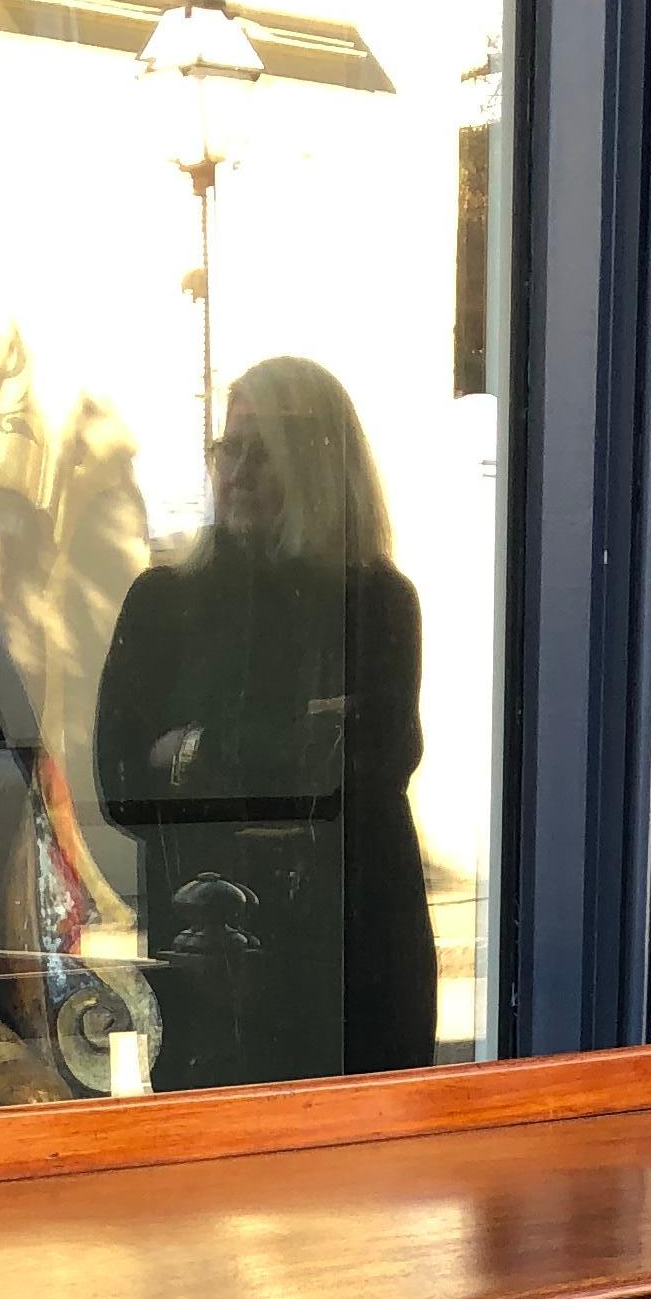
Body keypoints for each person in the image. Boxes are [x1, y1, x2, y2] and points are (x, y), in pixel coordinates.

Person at [94, 356, 438, 1092]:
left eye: (265, 452)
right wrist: (292, 740)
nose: (238, 471)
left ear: (318, 467)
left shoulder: (376, 602)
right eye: (229, 449)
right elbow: (120, 784)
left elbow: (369, 768)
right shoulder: (164, 603)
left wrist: (187, 751)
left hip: (353, 954)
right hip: (210, 948)